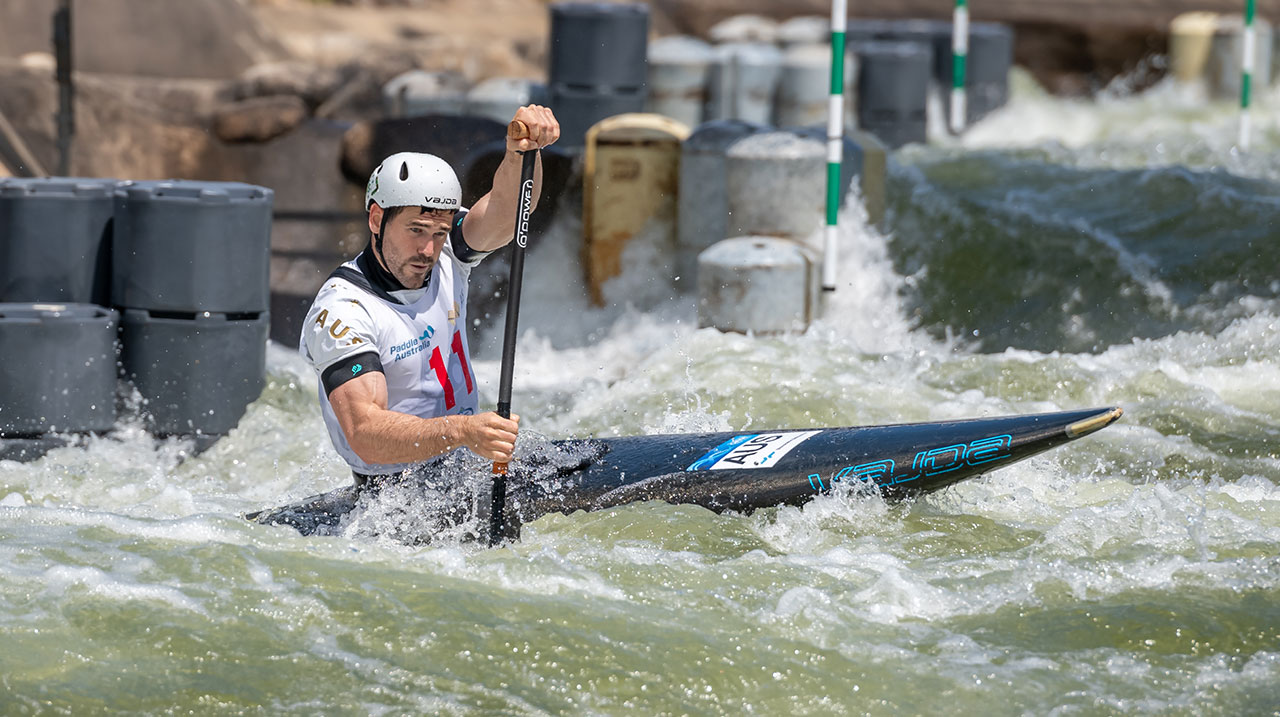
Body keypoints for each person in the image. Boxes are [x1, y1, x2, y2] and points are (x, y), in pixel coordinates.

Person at [300, 105, 560, 485]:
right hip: (394, 495)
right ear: (376, 219)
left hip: (465, 466)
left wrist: (522, 152)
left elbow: (509, 212)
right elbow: (365, 434)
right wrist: (462, 432)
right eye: (416, 230)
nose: (428, 250)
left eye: (439, 233)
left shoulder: (448, 253)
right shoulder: (343, 311)